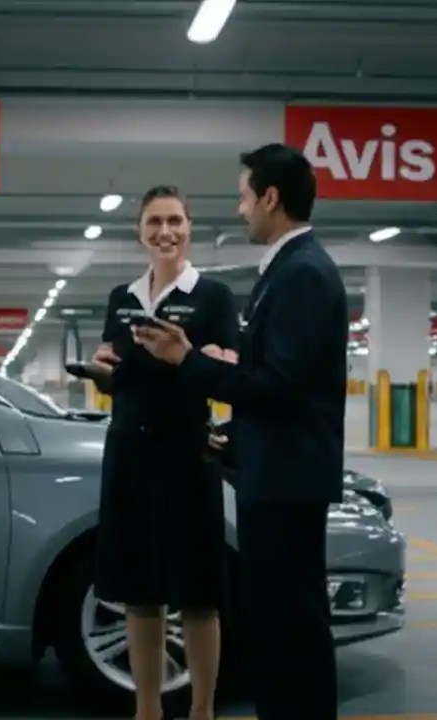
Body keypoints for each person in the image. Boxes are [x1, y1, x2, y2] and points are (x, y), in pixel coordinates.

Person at [131, 144, 348, 720]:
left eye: (245, 196)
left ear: (271, 199)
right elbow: (281, 384)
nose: (240, 208)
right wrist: (237, 438)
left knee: (290, 631)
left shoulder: (301, 273)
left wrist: (187, 360)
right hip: (277, 470)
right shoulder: (291, 269)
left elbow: (275, 383)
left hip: (286, 483)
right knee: (284, 627)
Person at [84, 184, 240, 720]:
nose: (165, 232)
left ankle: (202, 709)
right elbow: (117, 378)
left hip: (186, 454)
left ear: (190, 227)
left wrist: (190, 355)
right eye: (154, 222)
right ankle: (145, 710)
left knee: (198, 593)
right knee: (139, 590)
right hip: (128, 451)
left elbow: (226, 372)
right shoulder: (122, 298)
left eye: (174, 220)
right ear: (140, 231)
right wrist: (104, 370)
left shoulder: (214, 297)